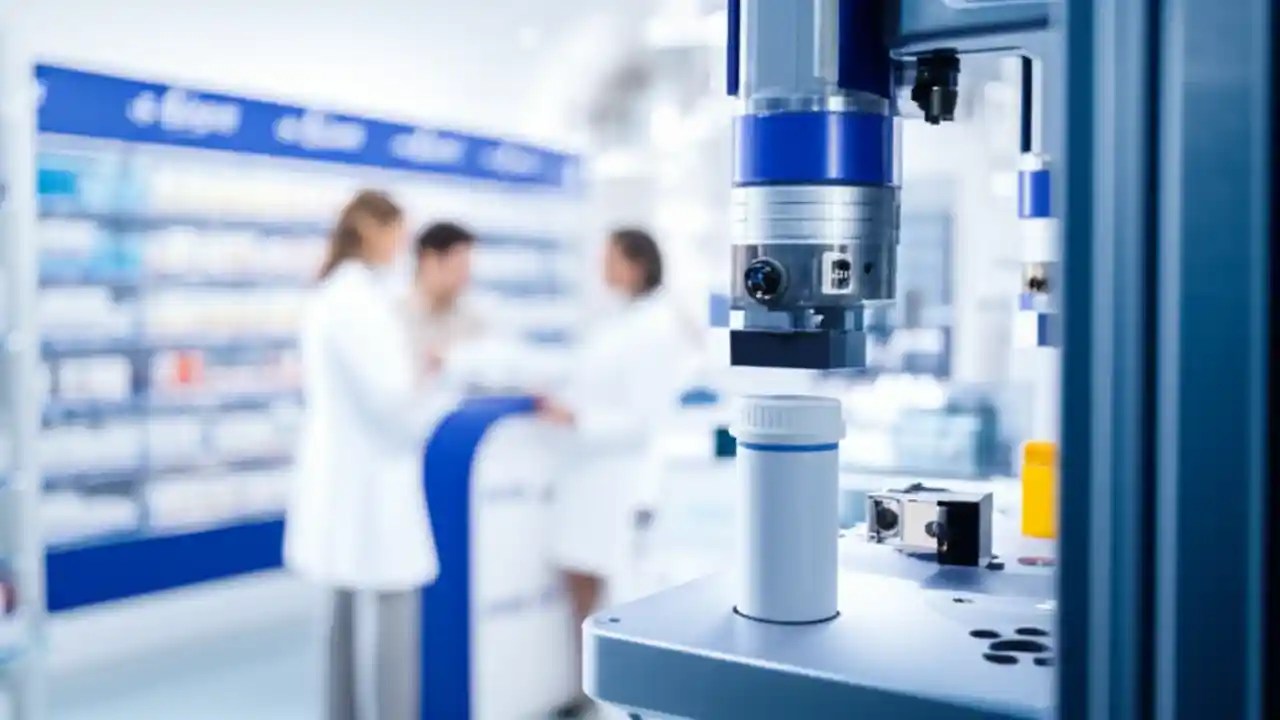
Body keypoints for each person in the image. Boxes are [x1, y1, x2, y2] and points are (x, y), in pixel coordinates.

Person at [284, 190, 458, 720]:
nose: (403, 246)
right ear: (372, 231)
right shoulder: (357, 301)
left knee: (342, 615)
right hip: (373, 478)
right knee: (388, 615)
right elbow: (393, 404)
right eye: (399, 234)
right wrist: (439, 387)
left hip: (348, 474)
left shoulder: (336, 294)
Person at [538, 228, 692, 718]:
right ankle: (589, 687)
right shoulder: (620, 318)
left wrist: (578, 418)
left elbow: (644, 418)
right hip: (589, 475)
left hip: (621, 477)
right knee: (581, 578)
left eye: (610, 258)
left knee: (620, 589)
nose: (602, 267)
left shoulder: (656, 327)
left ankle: (621, 699)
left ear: (637, 263)